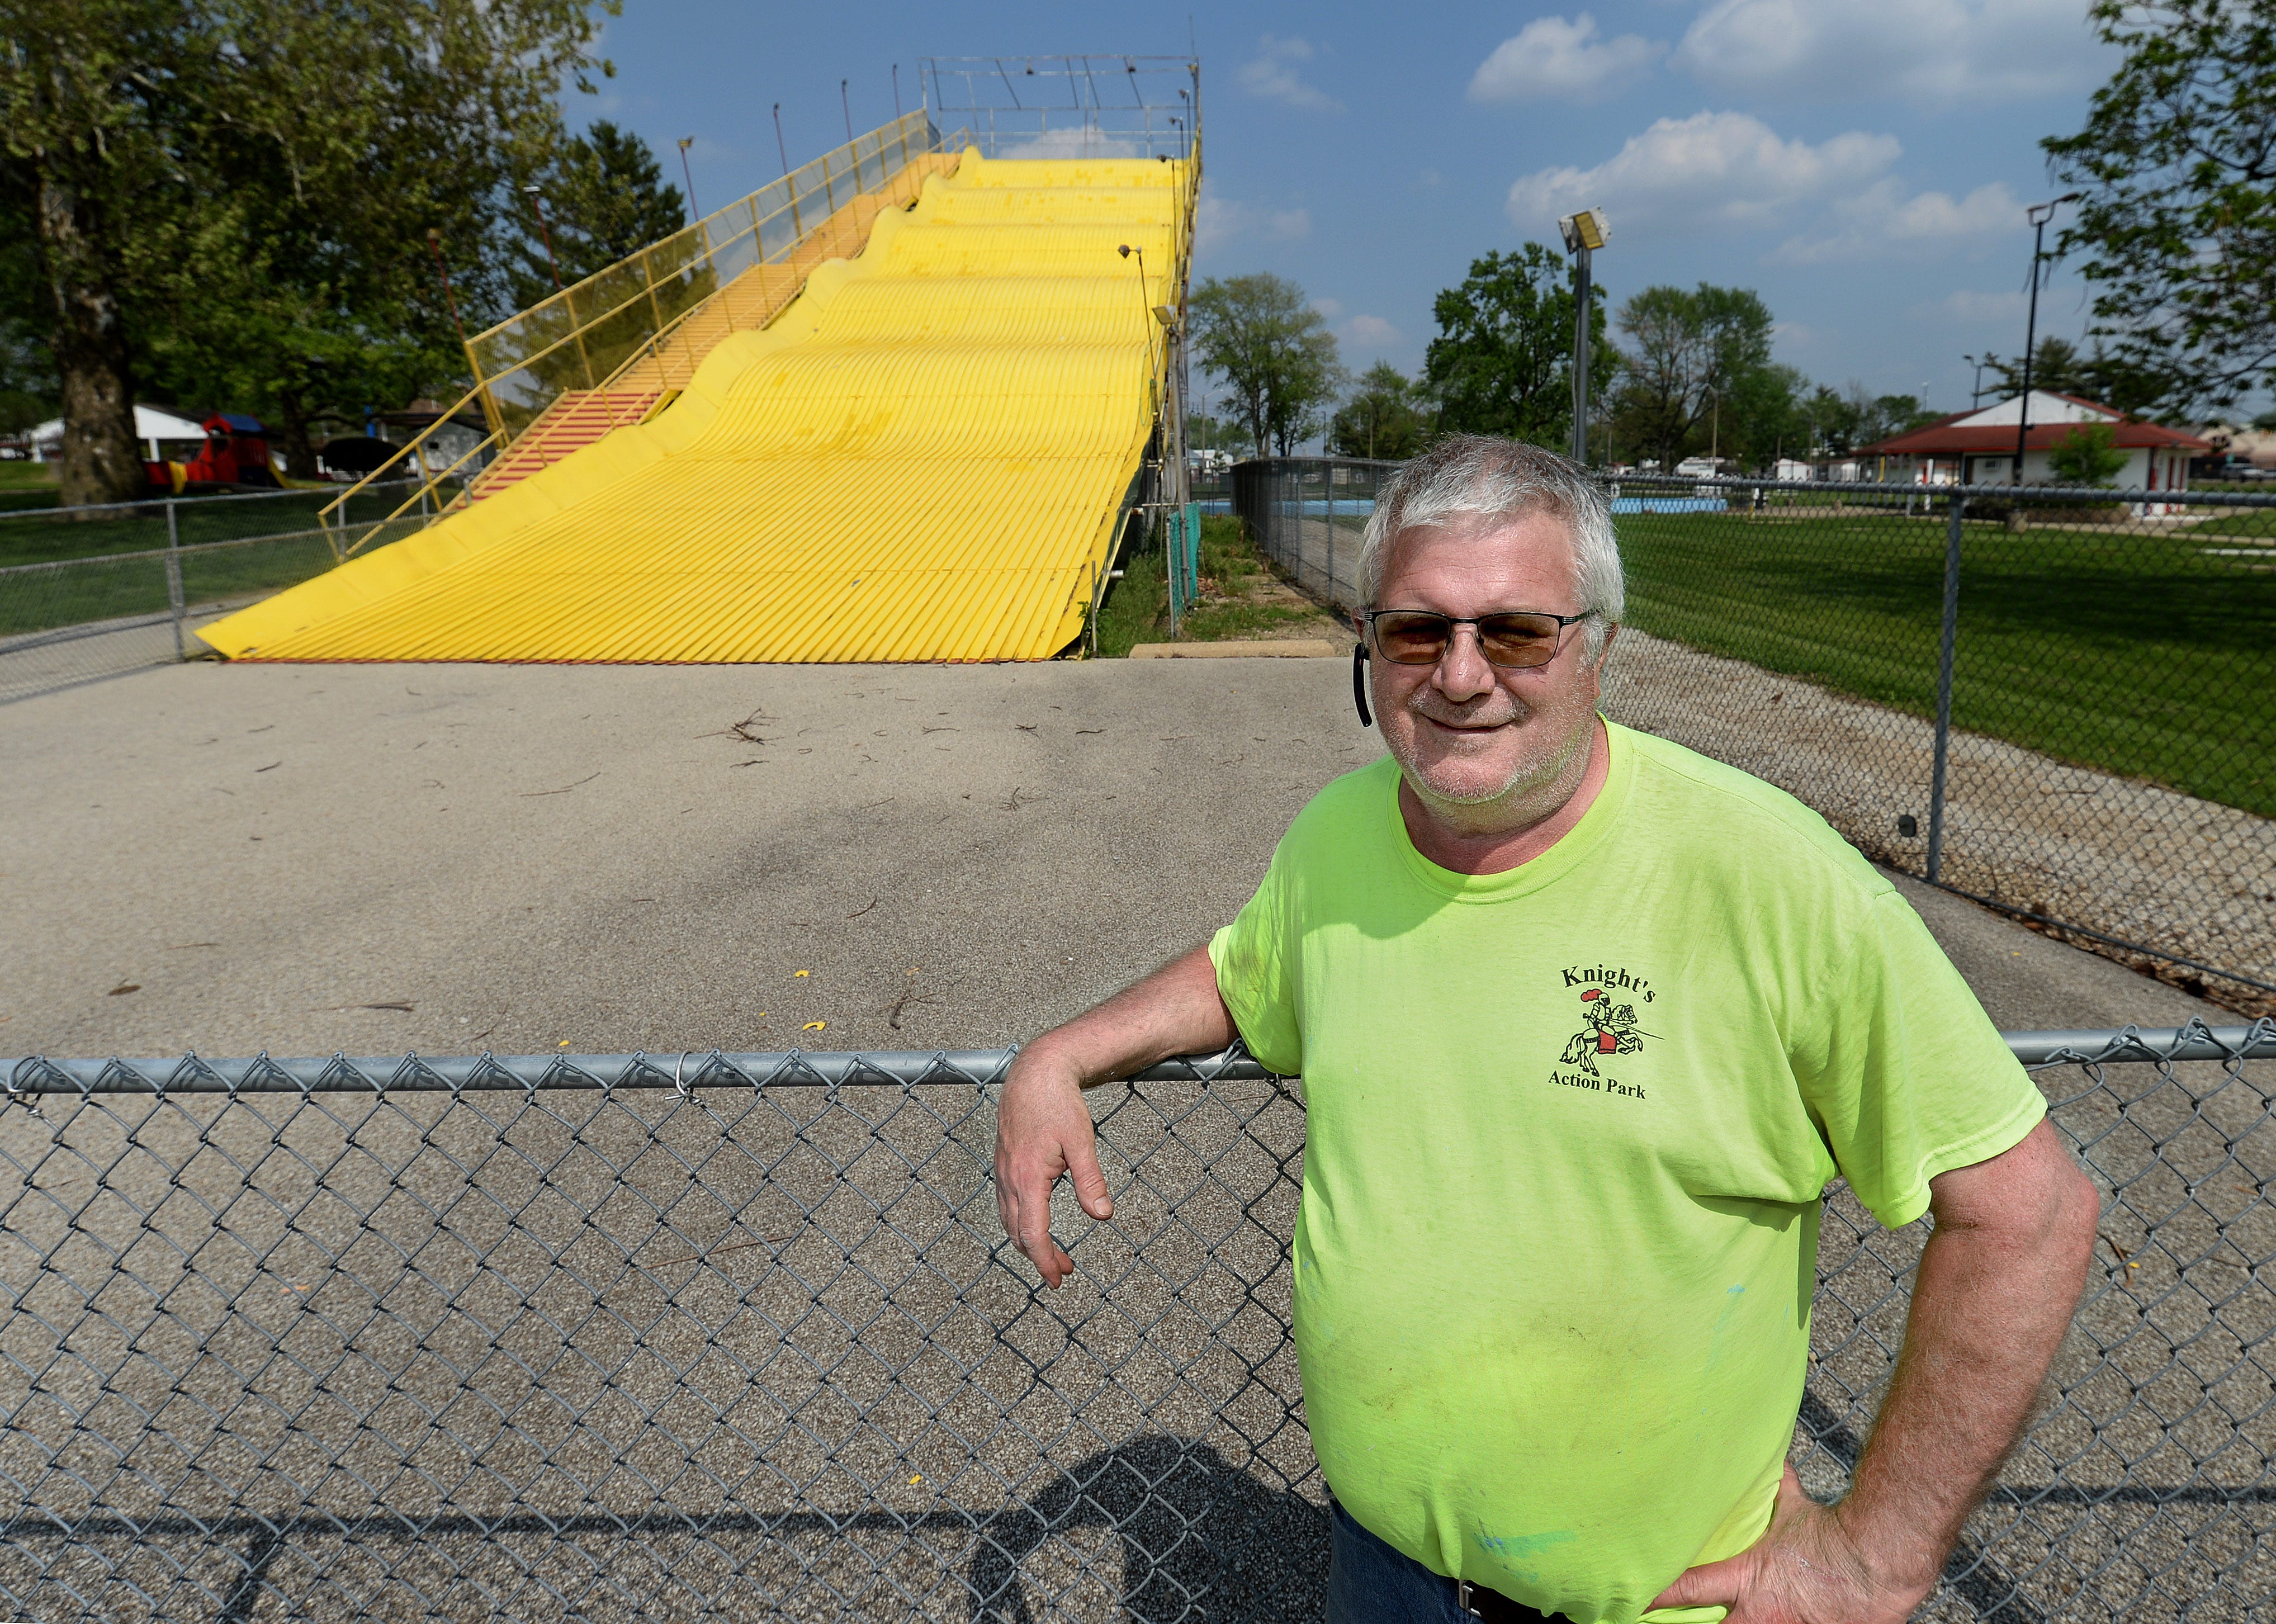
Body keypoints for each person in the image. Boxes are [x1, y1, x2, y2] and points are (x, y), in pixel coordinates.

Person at [995, 436, 2100, 1624]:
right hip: (1385, 1561)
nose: (1459, 675)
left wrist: (1872, 1557)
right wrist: (1058, 1053)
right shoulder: (1340, 832)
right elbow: (1246, 970)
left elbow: (2028, 1214)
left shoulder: (1768, 877)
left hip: (1654, 1599)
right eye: (1417, 630)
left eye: (1514, 630)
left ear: (1599, 647)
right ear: (1371, 643)